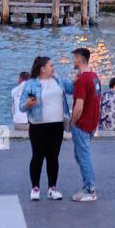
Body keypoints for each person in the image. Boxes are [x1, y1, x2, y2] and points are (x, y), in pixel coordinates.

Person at [19, 55, 71, 200]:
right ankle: (35, 187)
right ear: (42, 69)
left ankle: (52, 188)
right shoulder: (31, 84)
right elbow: (21, 107)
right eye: (51, 66)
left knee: (53, 157)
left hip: (57, 125)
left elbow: (72, 89)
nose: (53, 68)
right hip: (38, 125)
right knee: (37, 156)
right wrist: (27, 104)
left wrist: (82, 75)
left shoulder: (58, 80)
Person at [70, 47, 101, 201]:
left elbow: (79, 106)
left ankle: (89, 189)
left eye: (74, 58)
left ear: (80, 59)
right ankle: (88, 186)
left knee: (83, 156)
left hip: (81, 124)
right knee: (81, 155)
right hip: (91, 122)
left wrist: (72, 122)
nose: (73, 61)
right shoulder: (94, 77)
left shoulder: (83, 80)